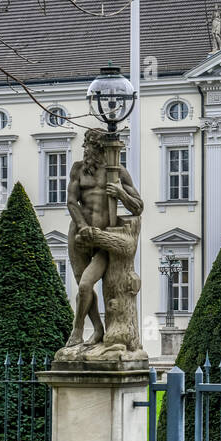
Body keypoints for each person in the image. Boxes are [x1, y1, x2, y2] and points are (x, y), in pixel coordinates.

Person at [65, 129, 143, 348]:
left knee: (84, 286)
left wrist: (121, 194)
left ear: (103, 150)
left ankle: (77, 329)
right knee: (83, 284)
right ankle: (97, 328)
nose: (88, 150)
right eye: (87, 146)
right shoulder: (78, 170)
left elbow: (138, 207)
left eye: (93, 146)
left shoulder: (117, 173)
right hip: (80, 235)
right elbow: (71, 202)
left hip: (103, 239)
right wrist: (82, 226)